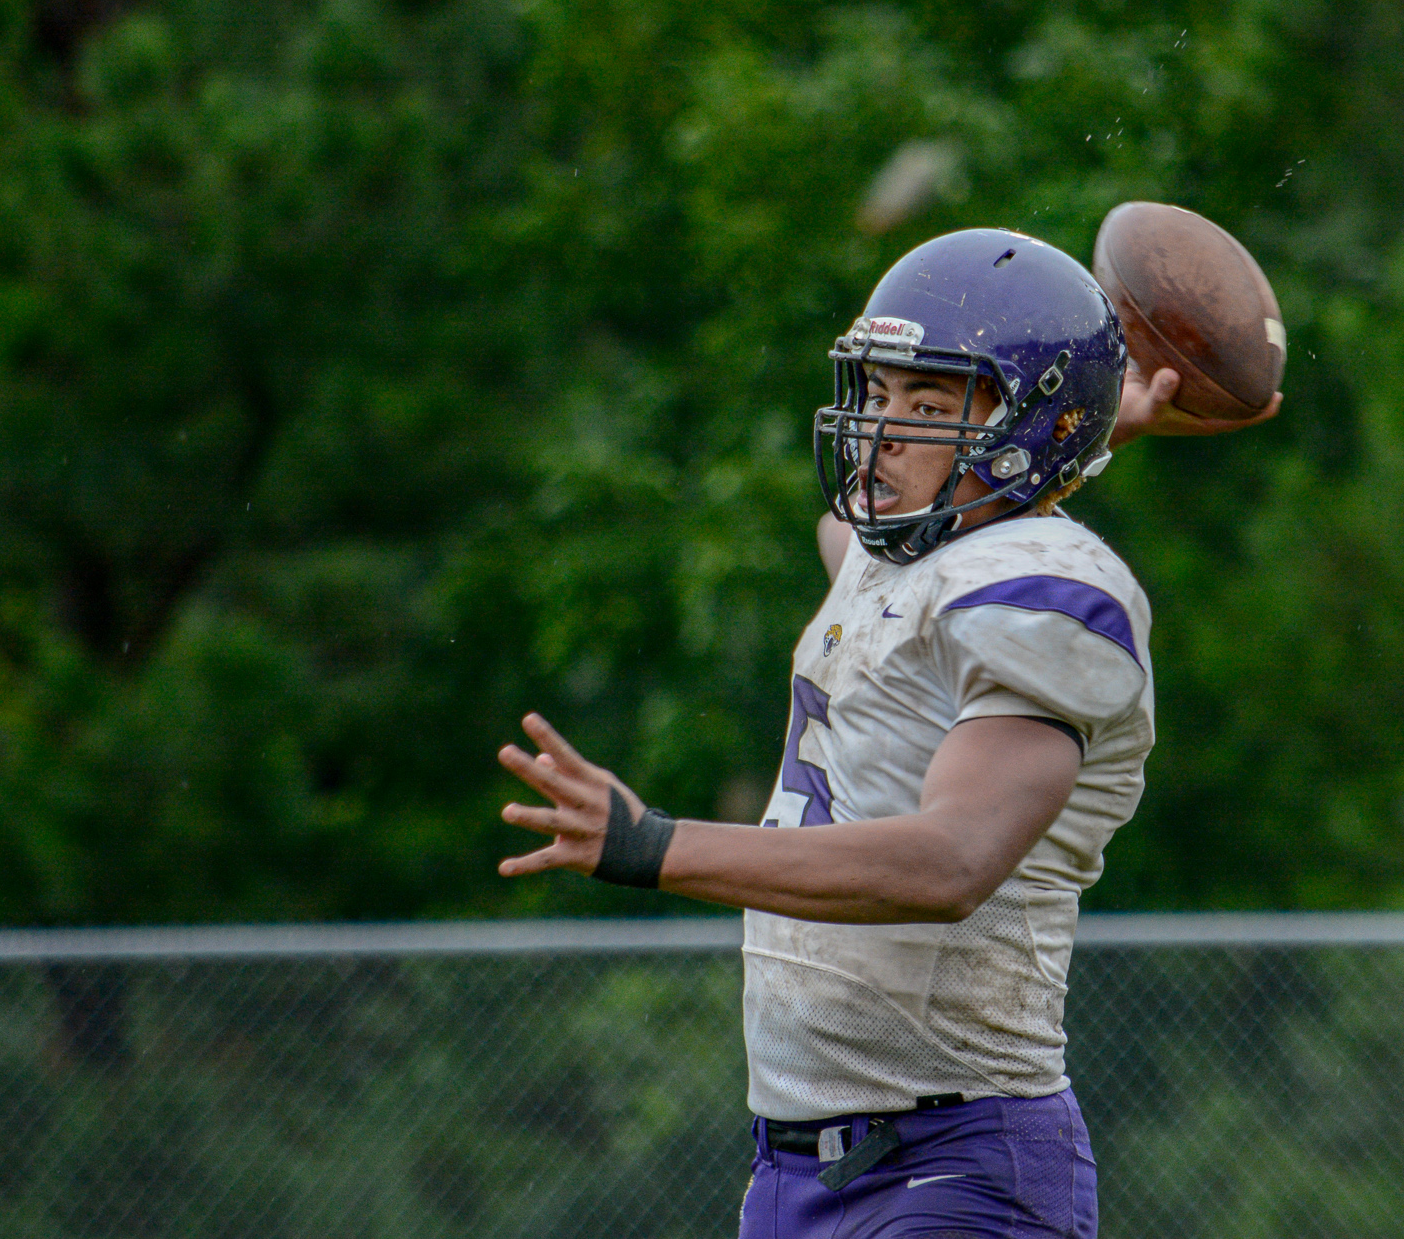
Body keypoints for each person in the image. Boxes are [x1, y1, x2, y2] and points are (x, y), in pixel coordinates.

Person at [496, 227, 1279, 1238]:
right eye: (876, 393)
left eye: (930, 406)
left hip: (953, 1162)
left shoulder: (1050, 592)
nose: (880, 433)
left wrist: (653, 845)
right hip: (792, 1167)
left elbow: (950, 862)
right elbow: (882, 538)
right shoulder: (900, 553)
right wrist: (1080, 437)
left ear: (1025, 431)